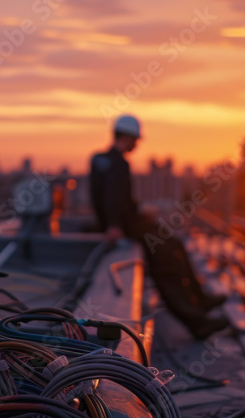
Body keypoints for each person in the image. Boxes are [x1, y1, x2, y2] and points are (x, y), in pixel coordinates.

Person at [89, 114, 230, 340]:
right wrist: (114, 225)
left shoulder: (101, 160)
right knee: (166, 268)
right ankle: (197, 320)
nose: (137, 144)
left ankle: (200, 299)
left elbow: (108, 196)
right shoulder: (118, 163)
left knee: (175, 245)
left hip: (131, 223)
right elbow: (112, 196)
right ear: (127, 137)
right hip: (128, 228)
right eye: (135, 139)